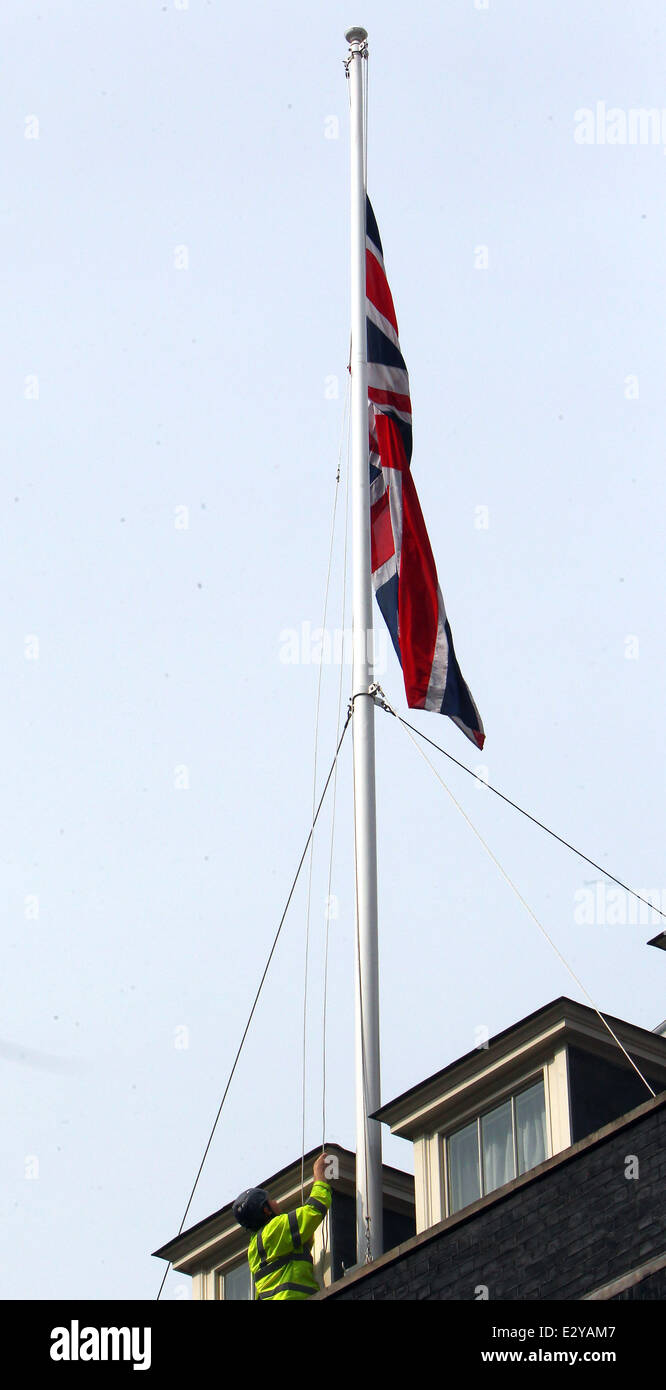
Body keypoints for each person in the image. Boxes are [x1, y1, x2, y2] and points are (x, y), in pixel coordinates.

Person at [232, 1153, 333, 1301]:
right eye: (271, 1200)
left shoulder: (254, 1249)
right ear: (266, 1210)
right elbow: (315, 1209)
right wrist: (319, 1176)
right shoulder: (275, 1229)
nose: (276, 1202)